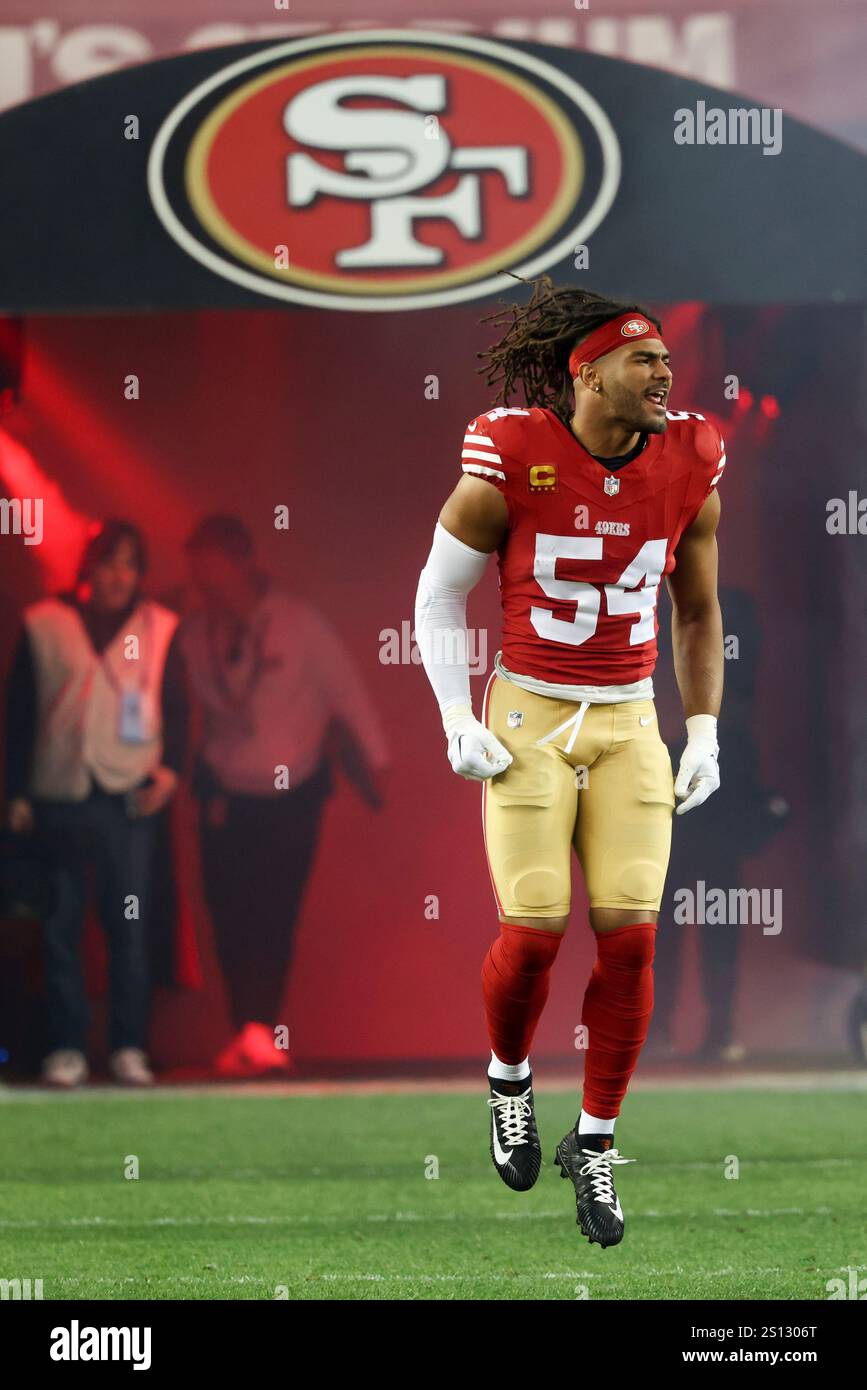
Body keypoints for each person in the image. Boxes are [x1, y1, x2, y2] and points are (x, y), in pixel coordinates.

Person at [415, 279, 726, 1247]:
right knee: (539, 925)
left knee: (631, 935)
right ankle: (509, 1074)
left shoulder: (692, 457)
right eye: (644, 359)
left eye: (668, 359)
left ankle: (595, 1142)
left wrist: (704, 726)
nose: (665, 373)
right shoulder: (510, 453)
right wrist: (454, 715)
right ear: (586, 373)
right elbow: (436, 595)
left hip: (630, 718)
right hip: (531, 713)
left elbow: (698, 608)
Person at [180, 515, 389, 1078]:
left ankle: (262, 1030)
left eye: (214, 563)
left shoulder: (298, 625)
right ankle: (243, 1029)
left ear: (243, 560)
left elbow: (347, 696)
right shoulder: (194, 632)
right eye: (197, 566)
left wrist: (376, 764)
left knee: (274, 912)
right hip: (224, 790)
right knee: (226, 913)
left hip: (292, 792)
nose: (206, 577)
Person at [4, 519, 189, 1087]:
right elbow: (18, 712)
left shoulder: (159, 627)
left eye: (131, 564)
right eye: (109, 562)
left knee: (128, 925)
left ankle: (129, 1046)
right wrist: (15, 791)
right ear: (87, 567)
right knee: (61, 923)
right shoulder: (44, 624)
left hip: (129, 796)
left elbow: (178, 706)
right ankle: (67, 1047)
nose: (119, 575)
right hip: (59, 795)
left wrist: (173, 773)